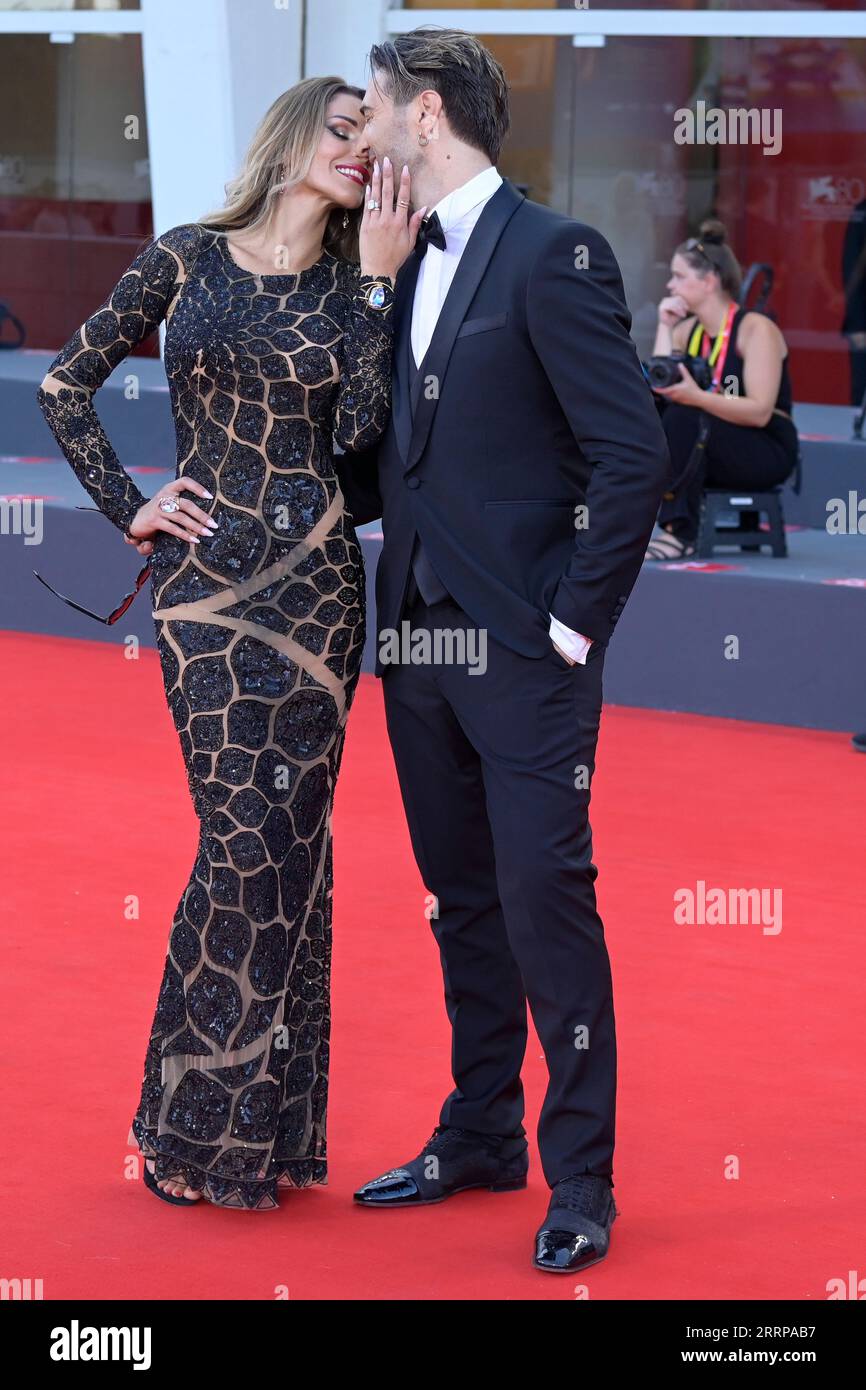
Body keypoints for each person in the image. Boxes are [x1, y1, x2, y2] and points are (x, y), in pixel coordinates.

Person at [36, 76, 423, 1210]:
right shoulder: (184, 255)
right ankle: (188, 1123)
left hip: (312, 595)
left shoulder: (357, 281)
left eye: (374, 136)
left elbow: (356, 433)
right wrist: (129, 506)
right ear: (294, 132)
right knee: (241, 840)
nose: (359, 147)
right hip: (203, 598)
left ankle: (254, 1135)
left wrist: (375, 290)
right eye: (343, 127)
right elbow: (68, 383)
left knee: (288, 849)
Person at [341, 27, 670, 1274]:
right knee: (459, 902)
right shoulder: (389, 254)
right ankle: (477, 1129)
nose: (362, 128)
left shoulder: (554, 253)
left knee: (545, 903)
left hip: (522, 652)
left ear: (424, 116)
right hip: (413, 635)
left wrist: (570, 621)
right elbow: (378, 450)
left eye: (372, 105)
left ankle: (579, 1176)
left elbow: (627, 454)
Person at [645, 219, 799, 560]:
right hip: (711, 440)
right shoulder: (688, 331)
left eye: (680, 276)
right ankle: (639, 522)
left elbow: (759, 412)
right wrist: (664, 326)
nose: (671, 286)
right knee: (661, 411)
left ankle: (678, 533)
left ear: (710, 280)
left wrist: (697, 397)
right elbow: (658, 386)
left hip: (764, 448)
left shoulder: (756, 329)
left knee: (684, 414)